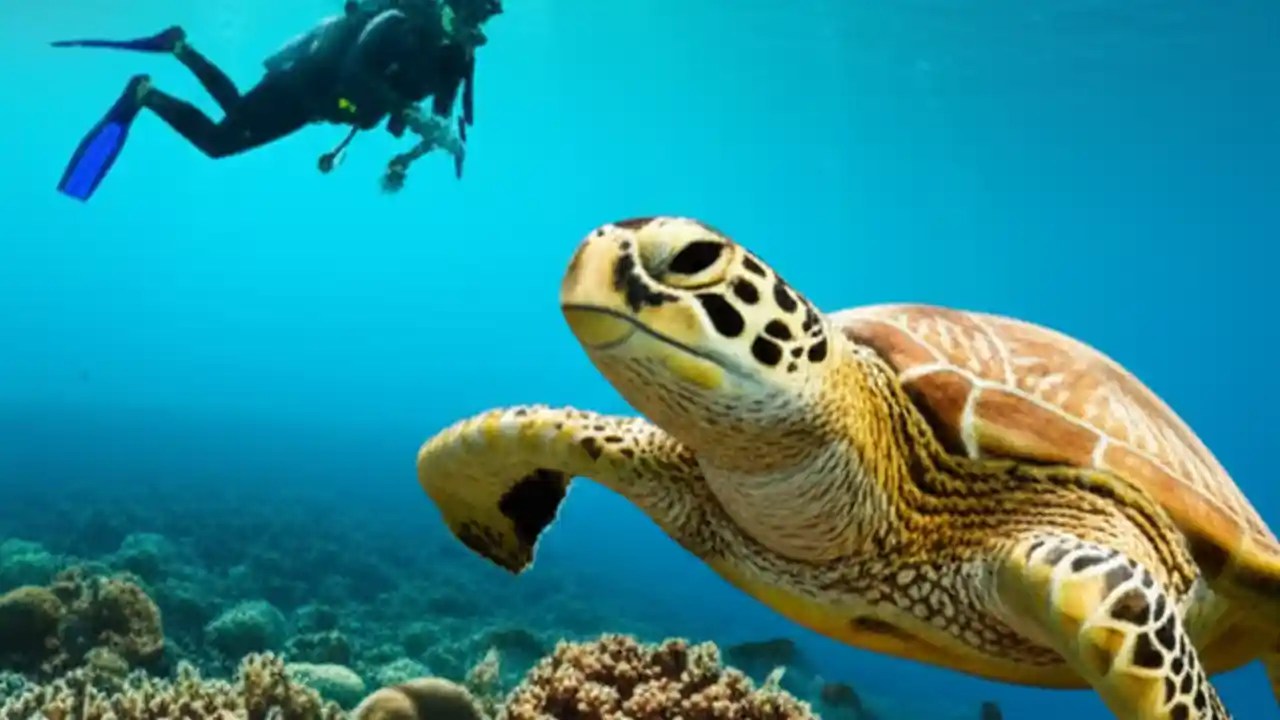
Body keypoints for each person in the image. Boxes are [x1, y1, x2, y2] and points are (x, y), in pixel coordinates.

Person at [53, 0, 501, 202]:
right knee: (218, 143)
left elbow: (440, 118)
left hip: (315, 105)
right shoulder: (396, 21)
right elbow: (354, 71)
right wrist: (402, 110)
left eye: (477, 20)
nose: (469, 28)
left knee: (235, 114)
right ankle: (144, 94)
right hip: (303, 85)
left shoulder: (454, 60)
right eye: (468, 15)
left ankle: (179, 47)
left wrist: (416, 152)